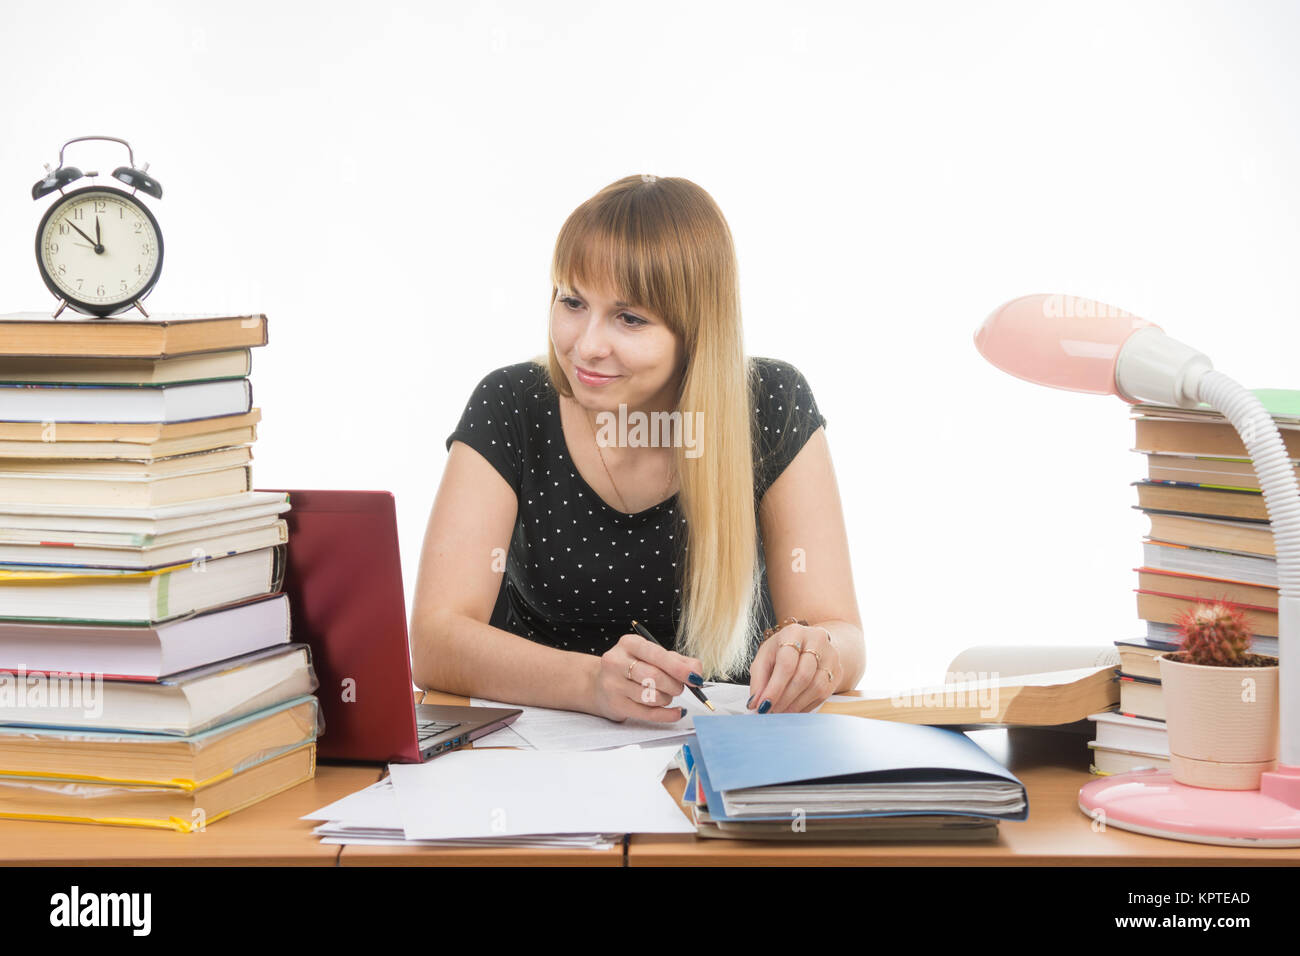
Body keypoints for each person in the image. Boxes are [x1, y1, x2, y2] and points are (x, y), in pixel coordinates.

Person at [410, 174, 863, 721]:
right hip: (537, 752)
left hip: (720, 748)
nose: (587, 344)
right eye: (572, 302)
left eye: (629, 318)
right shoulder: (512, 403)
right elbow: (435, 640)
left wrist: (817, 654)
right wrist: (590, 684)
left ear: (696, 331)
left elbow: (841, 635)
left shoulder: (772, 402)